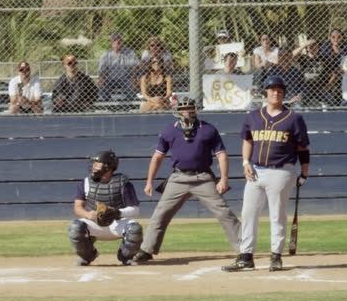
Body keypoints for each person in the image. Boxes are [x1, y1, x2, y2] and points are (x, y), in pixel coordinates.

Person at [131, 97, 241, 264]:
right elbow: (157, 157)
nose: (187, 112)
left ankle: (243, 248)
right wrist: (149, 181)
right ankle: (147, 249)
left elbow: (221, 155)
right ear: (177, 111)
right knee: (160, 214)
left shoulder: (208, 129)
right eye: (184, 109)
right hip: (178, 178)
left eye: (190, 108)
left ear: (195, 110)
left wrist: (223, 179)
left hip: (203, 177)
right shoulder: (169, 130)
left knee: (223, 212)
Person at [222, 76, 310, 273]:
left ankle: (276, 256)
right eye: (272, 89)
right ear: (266, 93)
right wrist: (245, 162)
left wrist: (304, 174)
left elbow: (303, 148)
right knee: (248, 213)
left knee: (277, 215)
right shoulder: (253, 117)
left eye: (279, 90)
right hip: (256, 171)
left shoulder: (294, 118)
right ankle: (246, 257)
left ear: (283, 94)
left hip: (282, 171)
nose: (276, 93)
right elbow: (248, 141)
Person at [68, 150, 143, 266]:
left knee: (135, 229)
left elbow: (135, 210)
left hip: (117, 223)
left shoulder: (124, 183)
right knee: (75, 228)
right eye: (94, 163)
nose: (94, 166)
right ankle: (87, 256)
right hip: (94, 223)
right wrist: (88, 215)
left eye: (98, 163)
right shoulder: (85, 183)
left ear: (108, 166)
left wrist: (116, 213)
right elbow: (78, 208)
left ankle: (126, 257)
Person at [97, 32, 140, 100]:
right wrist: (102, 79)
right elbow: (102, 70)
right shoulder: (106, 55)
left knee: (133, 86)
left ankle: (127, 104)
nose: (117, 41)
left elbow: (135, 67)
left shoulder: (130, 52)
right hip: (110, 79)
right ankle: (108, 103)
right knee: (101, 86)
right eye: (114, 39)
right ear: (111, 43)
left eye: (119, 39)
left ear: (122, 41)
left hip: (126, 79)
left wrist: (133, 78)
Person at [319, 29, 347, 105]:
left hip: (343, 72)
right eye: (333, 37)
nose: (336, 39)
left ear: (342, 37)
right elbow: (322, 62)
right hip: (328, 73)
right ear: (330, 38)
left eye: (339, 37)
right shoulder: (325, 47)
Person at [293, 37, 331, 106]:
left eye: (315, 45)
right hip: (305, 88)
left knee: (331, 101)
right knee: (298, 104)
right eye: (310, 46)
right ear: (307, 48)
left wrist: (328, 86)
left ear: (318, 47)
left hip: (320, 88)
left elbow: (333, 74)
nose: (313, 47)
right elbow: (291, 56)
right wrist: (304, 45)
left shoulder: (324, 58)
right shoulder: (303, 58)